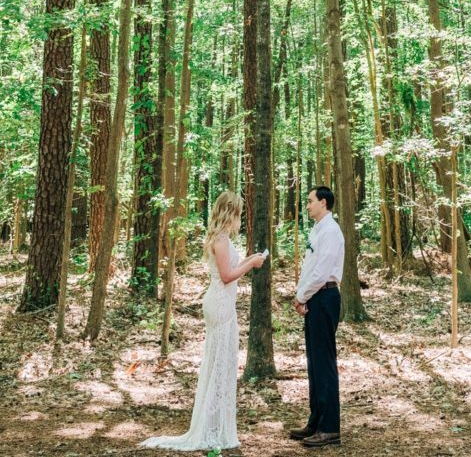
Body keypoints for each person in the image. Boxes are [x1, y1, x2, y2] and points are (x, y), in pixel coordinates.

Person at [140, 190, 267, 452]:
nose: (240, 218)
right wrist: (250, 265)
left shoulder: (223, 239)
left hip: (223, 302)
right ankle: (212, 427)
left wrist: (250, 259)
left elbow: (231, 269)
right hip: (219, 304)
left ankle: (217, 424)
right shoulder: (219, 240)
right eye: (239, 213)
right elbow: (226, 275)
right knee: (220, 363)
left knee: (223, 362)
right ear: (230, 213)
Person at [287, 185, 345, 449]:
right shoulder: (317, 229)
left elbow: (322, 273)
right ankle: (316, 420)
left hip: (325, 297)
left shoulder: (331, 232)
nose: (307, 205)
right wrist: (301, 295)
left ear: (323, 202)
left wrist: (303, 296)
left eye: (310, 201)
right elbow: (310, 267)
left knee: (325, 363)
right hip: (315, 297)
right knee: (315, 363)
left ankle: (330, 427)